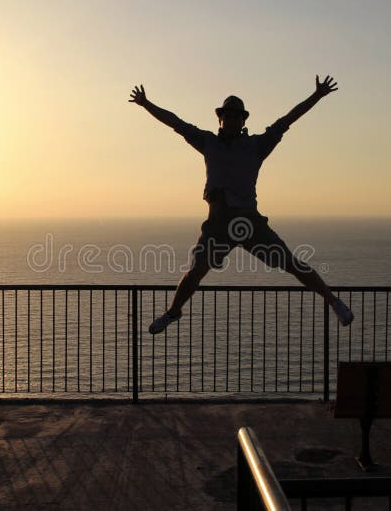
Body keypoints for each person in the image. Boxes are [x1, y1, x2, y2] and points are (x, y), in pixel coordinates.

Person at [128, 76, 354, 334]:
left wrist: (317, 96)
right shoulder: (208, 142)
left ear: (243, 120)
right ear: (220, 119)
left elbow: (287, 120)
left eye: (237, 116)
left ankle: (333, 301)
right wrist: (146, 104)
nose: (233, 120)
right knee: (195, 272)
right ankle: (172, 313)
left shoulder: (256, 145)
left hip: (249, 222)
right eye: (228, 116)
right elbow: (176, 123)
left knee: (291, 263)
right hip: (217, 224)